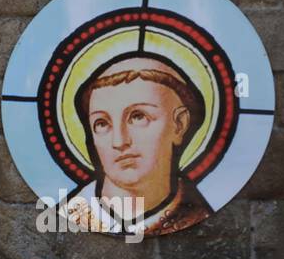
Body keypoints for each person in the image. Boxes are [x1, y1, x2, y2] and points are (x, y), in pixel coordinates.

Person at [66, 57, 211, 237]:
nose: (119, 142)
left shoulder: (200, 215)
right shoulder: (69, 215)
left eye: (138, 117)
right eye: (102, 123)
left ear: (179, 125)